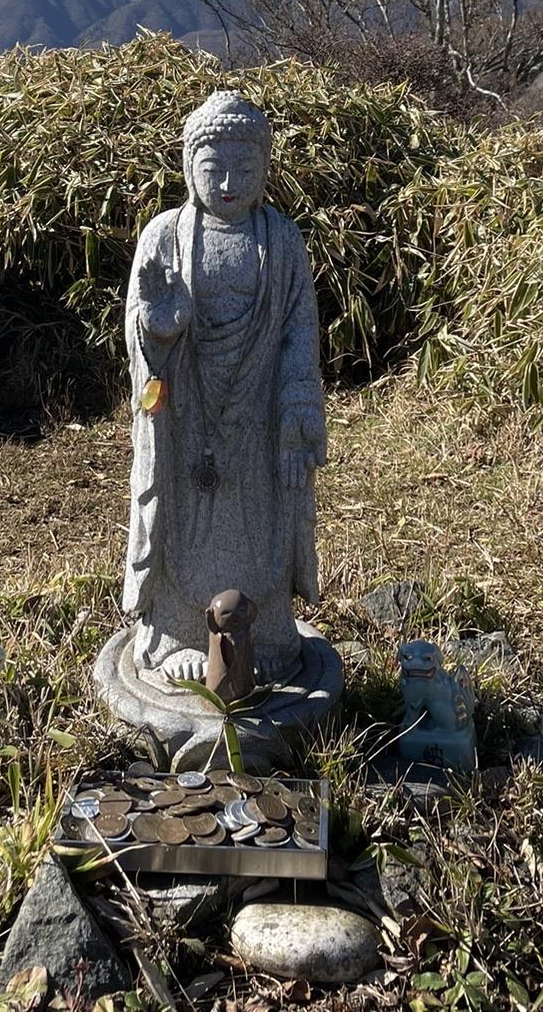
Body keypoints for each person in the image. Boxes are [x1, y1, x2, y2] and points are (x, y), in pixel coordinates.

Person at [121, 91, 326, 683]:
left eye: (246, 169)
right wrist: (159, 330)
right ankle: (176, 633)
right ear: (190, 170)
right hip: (186, 410)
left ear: (266, 169)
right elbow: (141, 324)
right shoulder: (165, 236)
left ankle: (266, 633)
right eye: (214, 170)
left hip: (259, 409)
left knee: (262, 519)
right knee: (181, 517)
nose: (230, 184)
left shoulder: (283, 242)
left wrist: (295, 411)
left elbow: (298, 332)